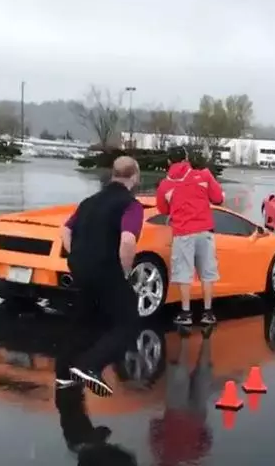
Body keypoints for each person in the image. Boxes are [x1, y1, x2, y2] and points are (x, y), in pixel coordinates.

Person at [60, 156, 144, 397]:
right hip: (106, 268)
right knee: (128, 322)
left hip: (79, 266)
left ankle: (64, 374)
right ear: (135, 176)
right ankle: (91, 366)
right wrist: (125, 273)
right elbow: (127, 241)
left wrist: (75, 252)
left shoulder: (89, 202)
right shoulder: (130, 205)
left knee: (85, 320)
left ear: (113, 174)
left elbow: (65, 229)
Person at [156, 147, 224, 326]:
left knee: (184, 273)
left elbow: (163, 209)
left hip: (183, 233)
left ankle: (186, 313)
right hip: (205, 231)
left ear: (169, 162)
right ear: (186, 159)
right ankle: (208, 312)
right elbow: (218, 198)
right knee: (207, 272)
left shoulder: (165, 184)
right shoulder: (204, 176)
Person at [148, 327, 214, 465]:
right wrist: (161, 422)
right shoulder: (160, 453)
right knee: (180, 374)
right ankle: (185, 336)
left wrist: (201, 427)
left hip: (197, 416)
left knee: (202, 374)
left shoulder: (192, 457)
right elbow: (154, 431)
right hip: (176, 412)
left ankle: (207, 335)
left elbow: (207, 443)